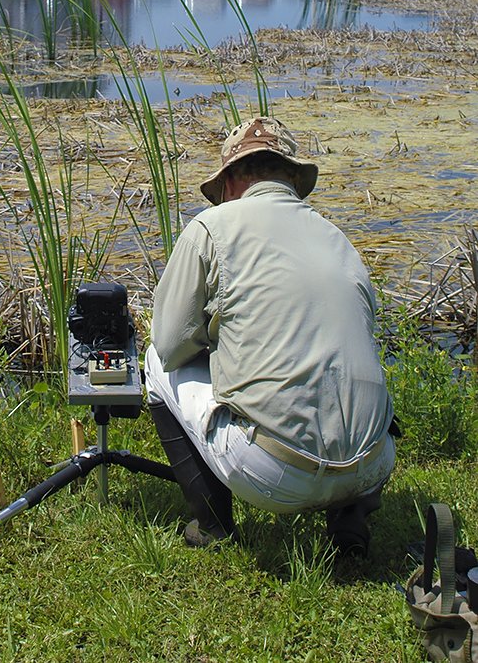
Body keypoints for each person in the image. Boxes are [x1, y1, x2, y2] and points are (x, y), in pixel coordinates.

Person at [144, 116, 396, 555]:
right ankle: (350, 517)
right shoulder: (337, 239)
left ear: (233, 180)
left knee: (152, 361)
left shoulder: (212, 227)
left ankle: (211, 526)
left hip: (275, 475)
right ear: (293, 178)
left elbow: (171, 344)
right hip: (374, 463)